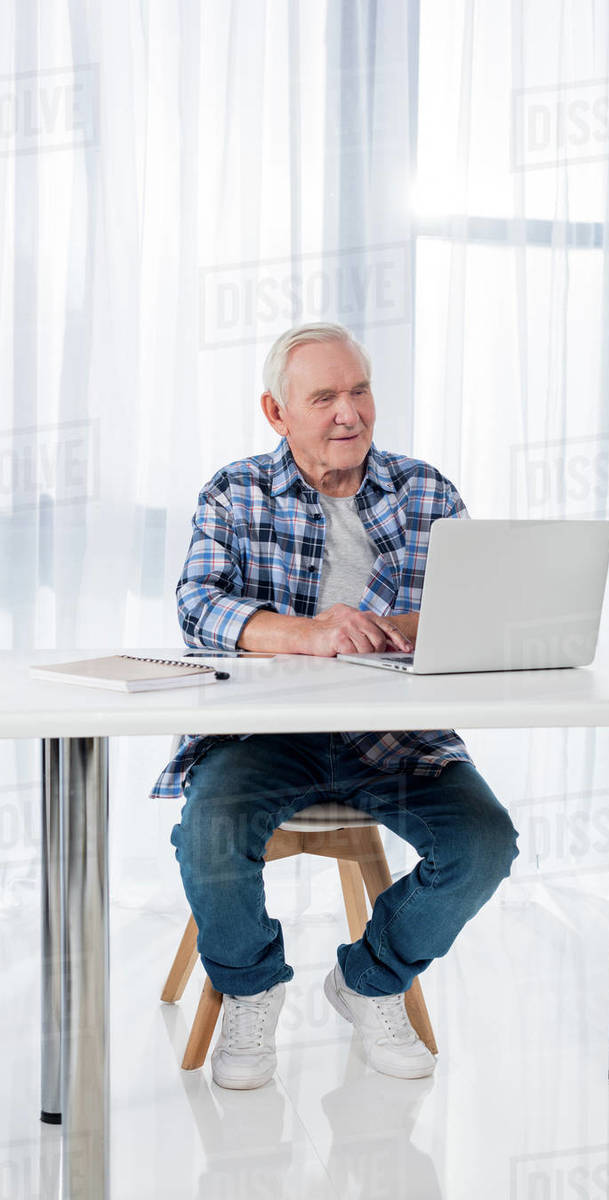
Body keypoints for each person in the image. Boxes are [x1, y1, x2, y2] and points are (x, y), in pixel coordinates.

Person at [153, 322, 520, 1089]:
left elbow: (476, 606)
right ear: (276, 412)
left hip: (396, 737)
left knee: (483, 844)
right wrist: (308, 633)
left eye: (358, 391)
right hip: (262, 735)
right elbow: (197, 608)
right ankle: (251, 990)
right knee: (210, 834)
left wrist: (403, 629)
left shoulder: (427, 491)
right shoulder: (234, 491)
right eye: (323, 397)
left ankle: (370, 981)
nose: (347, 413)